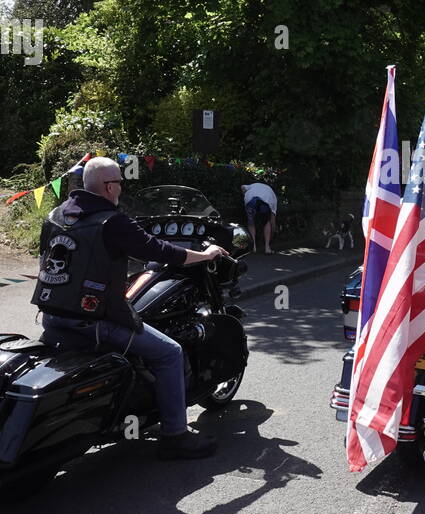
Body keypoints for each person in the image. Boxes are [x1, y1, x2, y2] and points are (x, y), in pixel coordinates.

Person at [34, 157, 230, 458]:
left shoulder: (56, 215)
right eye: (120, 184)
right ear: (109, 186)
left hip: (51, 316)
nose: (121, 189)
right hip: (93, 320)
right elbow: (159, 251)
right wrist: (206, 255)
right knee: (169, 353)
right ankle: (176, 435)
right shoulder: (111, 221)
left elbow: (50, 260)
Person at [241, 179, 278, 254]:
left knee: (251, 222)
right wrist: (272, 234)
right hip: (265, 202)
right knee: (266, 222)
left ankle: (253, 247)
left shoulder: (252, 185)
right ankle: (267, 248)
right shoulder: (272, 196)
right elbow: (272, 221)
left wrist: (244, 194)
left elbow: (242, 187)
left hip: (250, 201)